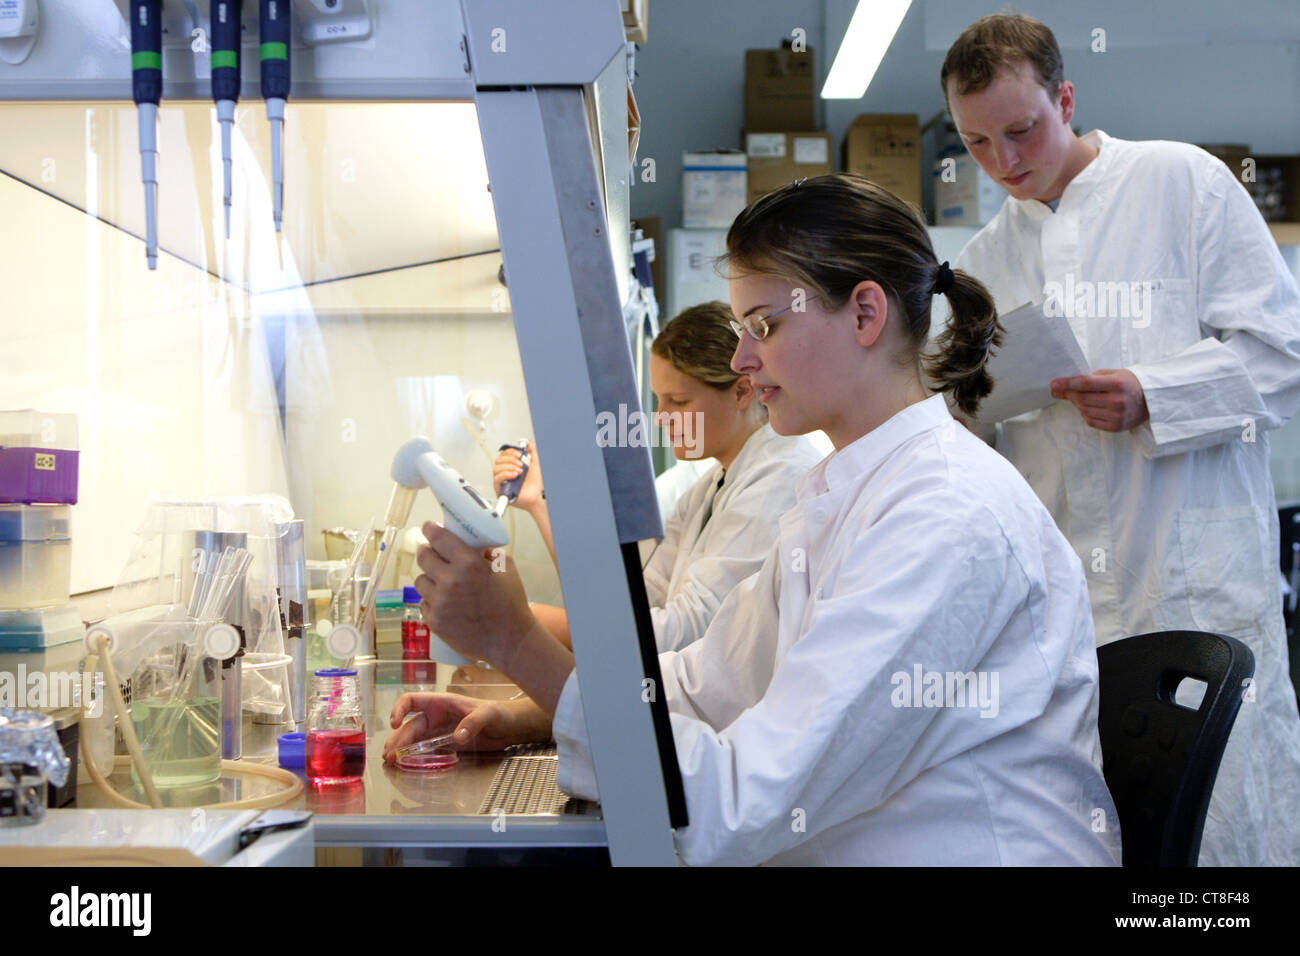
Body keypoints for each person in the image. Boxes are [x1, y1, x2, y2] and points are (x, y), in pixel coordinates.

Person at [388, 174, 1121, 866]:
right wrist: (536, 711)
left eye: (763, 326)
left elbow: (735, 803)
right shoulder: (847, 492)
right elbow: (710, 683)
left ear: (866, 313)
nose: (741, 359)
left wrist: (518, 642)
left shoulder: (947, 519)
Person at [942, 13, 1300, 866]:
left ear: (1065, 98)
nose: (1005, 162)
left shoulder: (1185, 183)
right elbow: (976, 429)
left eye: (1022, 131)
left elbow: (1283, 357)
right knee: (1109, 826)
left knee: (1227, 820)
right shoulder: (984, 261)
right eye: (978, 142)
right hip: (1073, 594)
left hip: (1194, 569)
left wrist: (1154, 394)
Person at [495, 302, 823, 653]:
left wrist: (516, 617)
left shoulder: (778, 481)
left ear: (742, 392)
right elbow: (636, 602)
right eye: (659, 401)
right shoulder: (706, 489)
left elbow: (684, 633)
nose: (661, 418)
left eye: (678, 401)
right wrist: (539, 504)